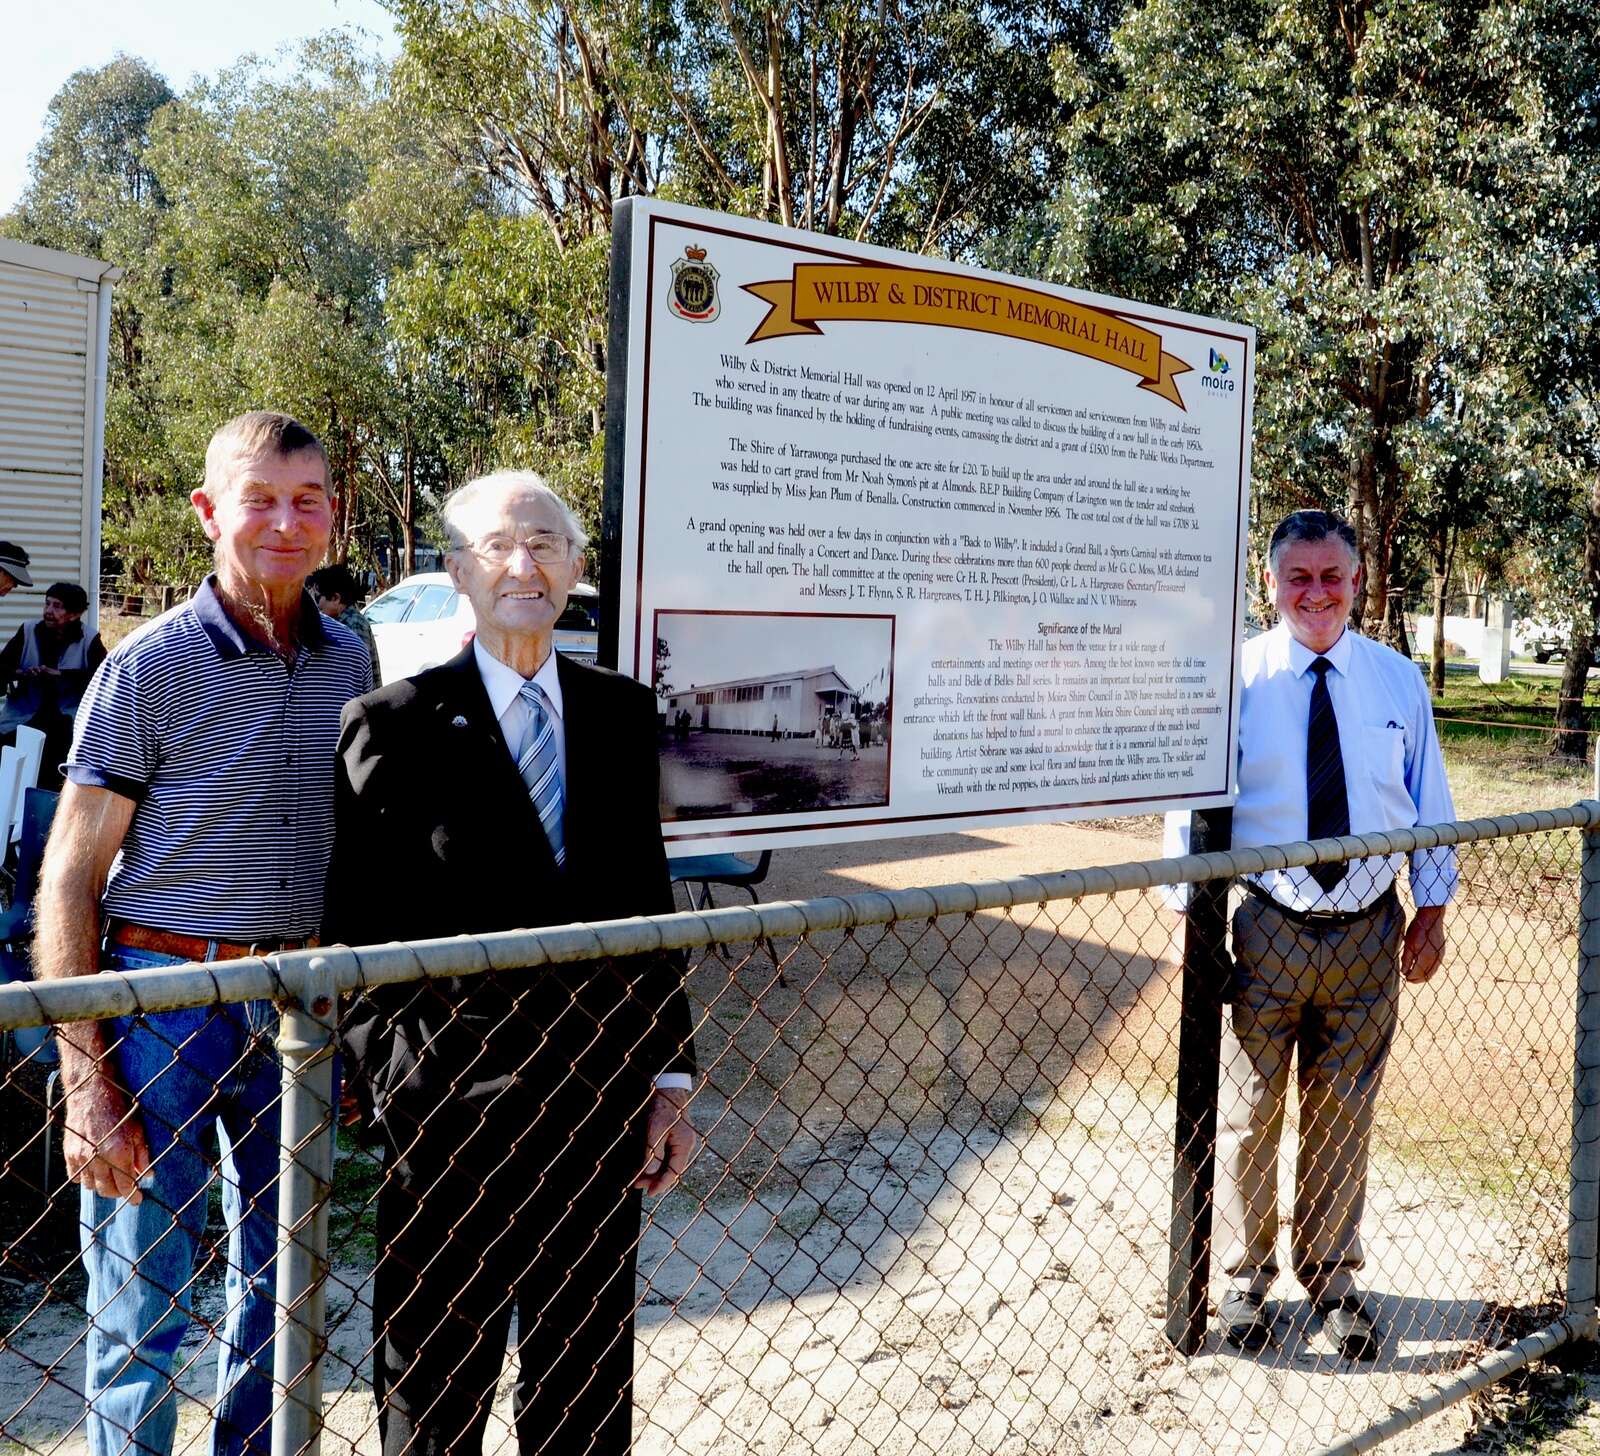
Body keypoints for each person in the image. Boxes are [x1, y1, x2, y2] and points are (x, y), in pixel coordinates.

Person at [326, 469, 698, 1456]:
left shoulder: (622, 714)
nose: (523, 563)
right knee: (433, 1396)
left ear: (576, 567)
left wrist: (666, 1076)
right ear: (458, 569)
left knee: (582, 1395)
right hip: (452, 1119)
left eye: (545, 542)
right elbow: (353, 937)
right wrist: (404, 1079)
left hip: (597, 1112)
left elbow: (647, 904)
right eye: (497, 544)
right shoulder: (393, 724)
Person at [33, 411, 371, 1456]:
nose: (284, 520)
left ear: (330, 517)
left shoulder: (351, 661)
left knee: (285, 1283)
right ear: (209, 510)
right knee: (145, 1298)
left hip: (297, 1011)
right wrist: (87, 1077)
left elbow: (360, 853)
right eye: (259, 497)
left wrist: (351, 1020)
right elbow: (70, 878)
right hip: (158, 1005)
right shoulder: (149, 667)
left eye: (305, 499)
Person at [1164, 509, 1455, 1361]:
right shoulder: (1236, 679)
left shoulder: (1398, 682)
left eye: (1333, 577)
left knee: (1342, 1109)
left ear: (1358, 582)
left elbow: (1427, 802)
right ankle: (1247, 1280)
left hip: (1369, 932)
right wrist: (1193, 927)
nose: (1317, 593)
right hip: (1266, 926)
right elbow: (1189, 811)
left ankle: (1331, 1276)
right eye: (1299, 577)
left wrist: (1431, 911)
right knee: (1252, 1112)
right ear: (1270, 585)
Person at [0, 583, 108, 780]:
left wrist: (60, 675)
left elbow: (103, 682)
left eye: (57, 606)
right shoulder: (28, 630)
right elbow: (2, 669)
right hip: (21, 719)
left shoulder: (89, 639)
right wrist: (21, 673)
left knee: (55, 775)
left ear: (74, 614)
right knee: (10, 774)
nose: (48, 611)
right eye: (47, 604)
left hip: (65, 725)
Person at [307, 562, 380, 690]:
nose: (317, 605)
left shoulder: (354, 625)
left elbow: (354, 673)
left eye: (318, 598)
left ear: (336, 598)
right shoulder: (341, 621)